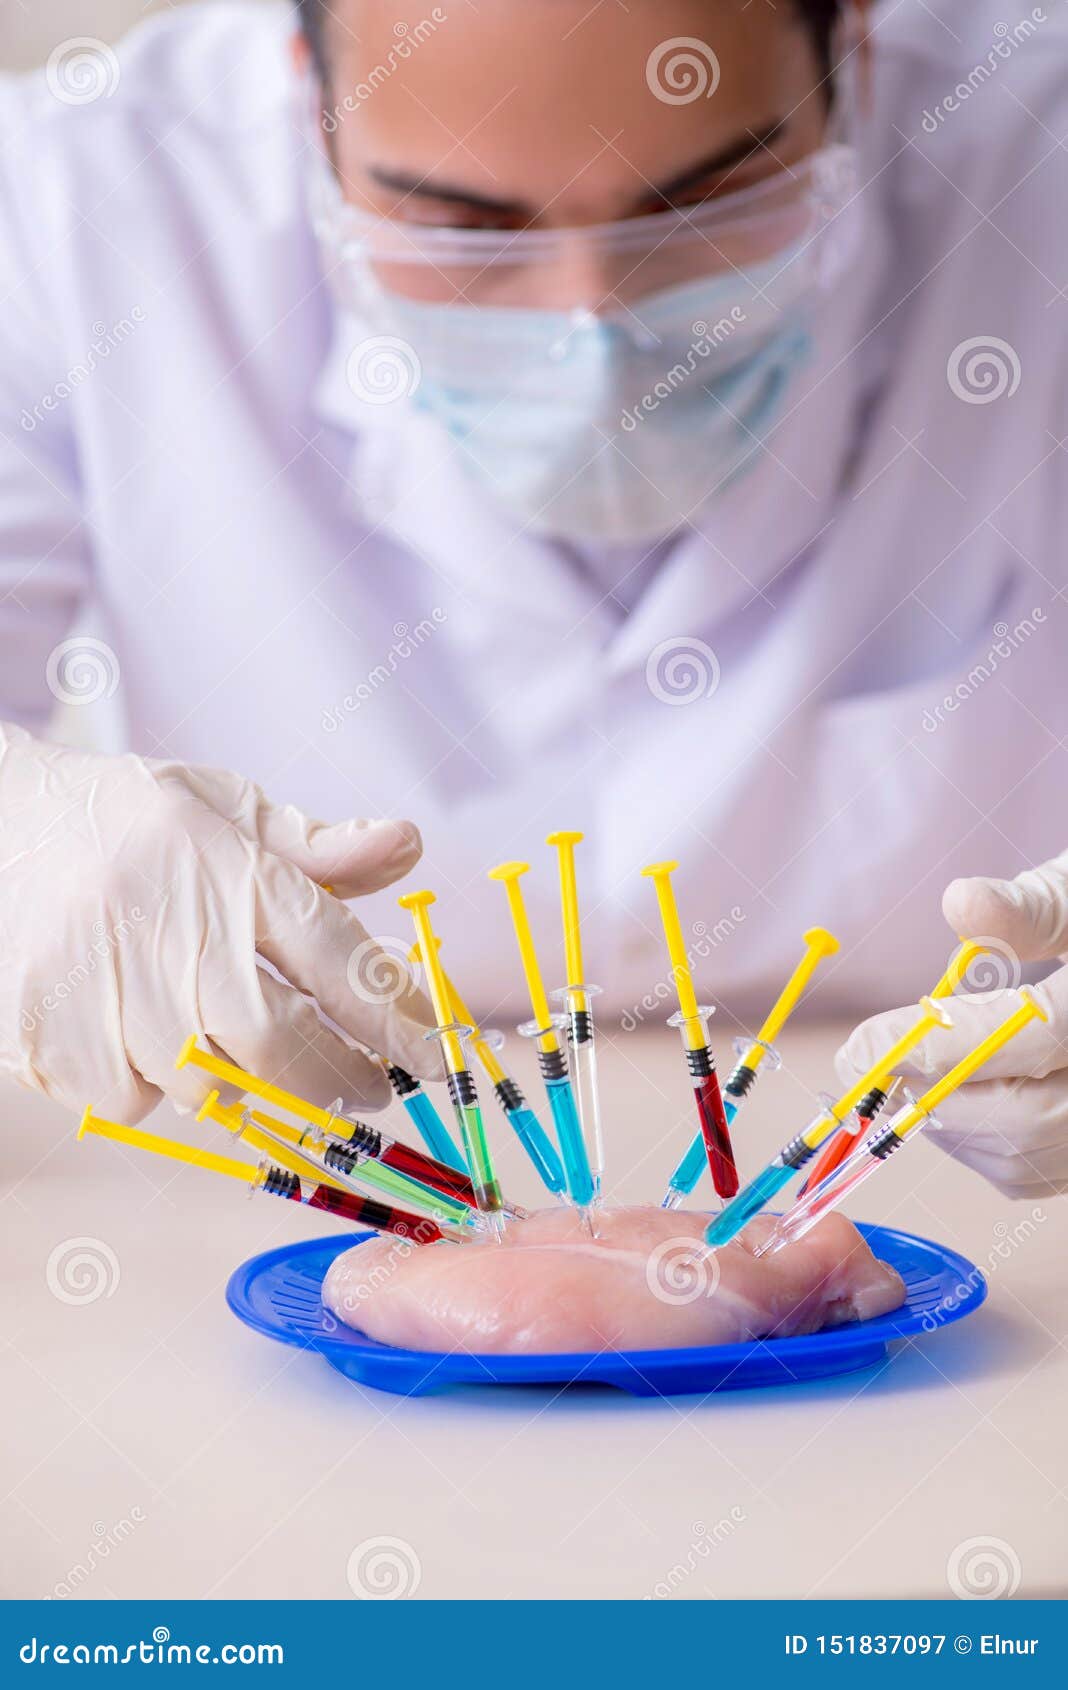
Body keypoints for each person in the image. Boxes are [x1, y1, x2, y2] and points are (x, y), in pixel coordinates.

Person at [0, 0, 1065, 1198]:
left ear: (854, 50)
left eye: (705, 198)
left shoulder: (1041, 153)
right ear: (308, 95)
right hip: (254, 1214)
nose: (590, 330)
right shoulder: (75, 201)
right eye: (463, 228)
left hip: (952, 1208)